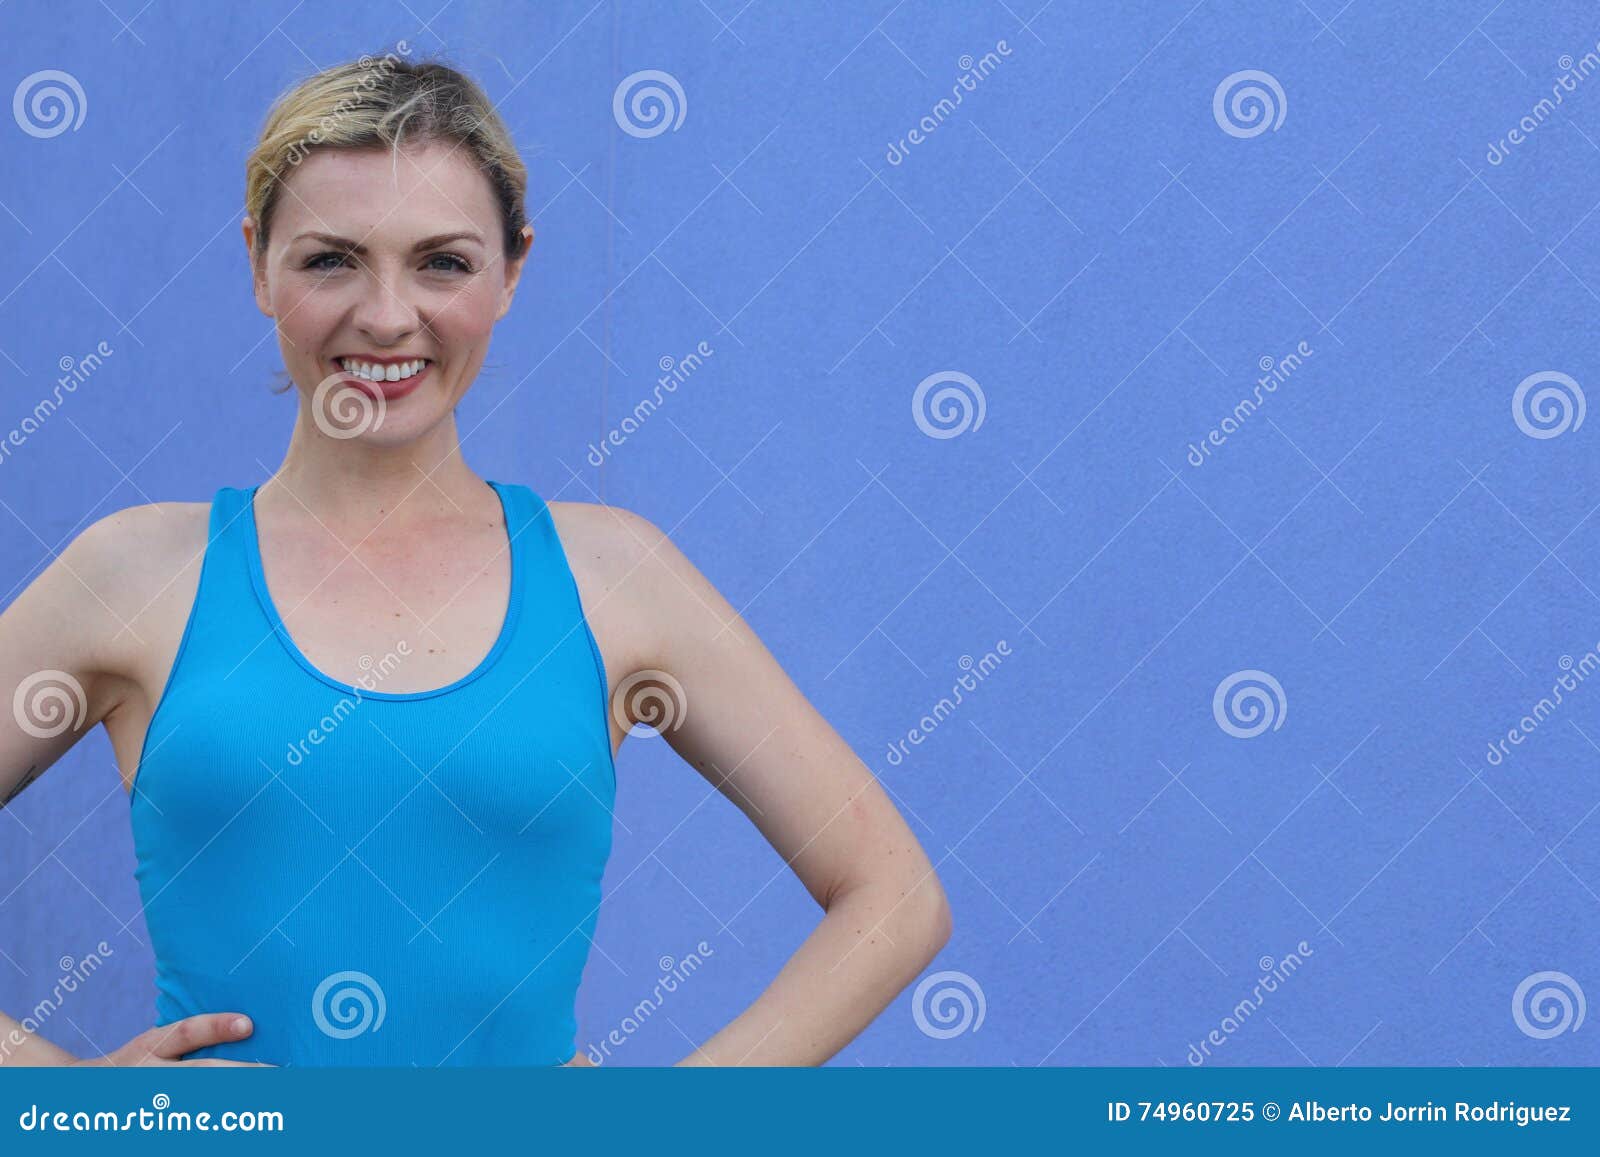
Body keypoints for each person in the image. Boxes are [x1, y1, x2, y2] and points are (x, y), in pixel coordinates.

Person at [0, 53, 950, 1067]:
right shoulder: (134, 573)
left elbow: (893, 894)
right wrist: (67, 1097)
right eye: (330, 259)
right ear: (256, 263)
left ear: (513, 270)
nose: (386, 315)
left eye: (442, 262)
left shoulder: (614, 578)